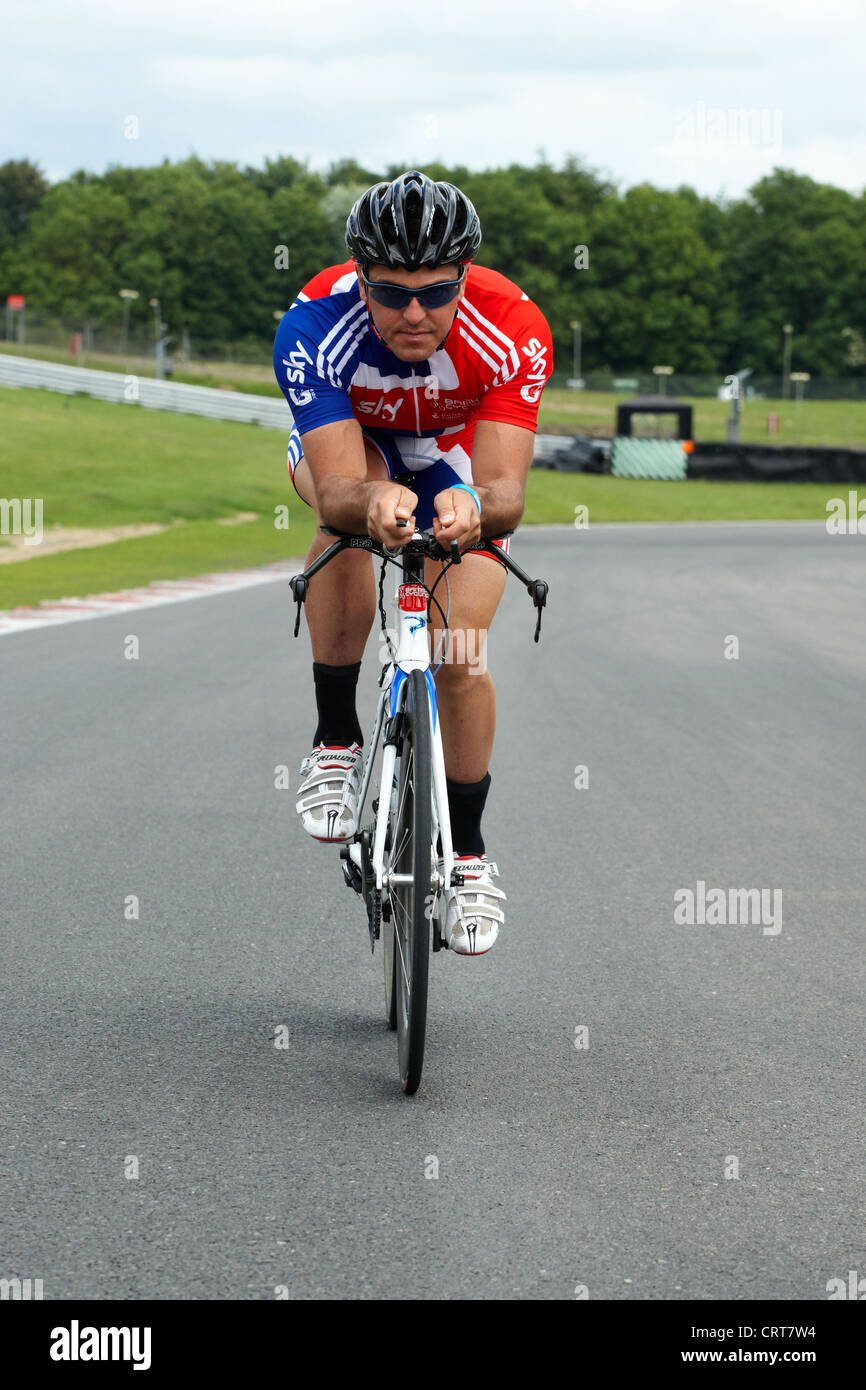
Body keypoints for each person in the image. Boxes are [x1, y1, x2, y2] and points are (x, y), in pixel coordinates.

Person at [273, 170, 553, 955]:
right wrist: (370, 504)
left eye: (437, 291)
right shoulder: (313, 324)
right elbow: (333, 484)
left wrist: (476, 511)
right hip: (355, 451)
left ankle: (466, 855)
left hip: (455, 456)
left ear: (467, 277)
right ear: (358, 277)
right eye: (389, 293)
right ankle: (335, 738)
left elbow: (505, 488)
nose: (414, 313)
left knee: (459, 652)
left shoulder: (512, 325)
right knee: (349, 517)